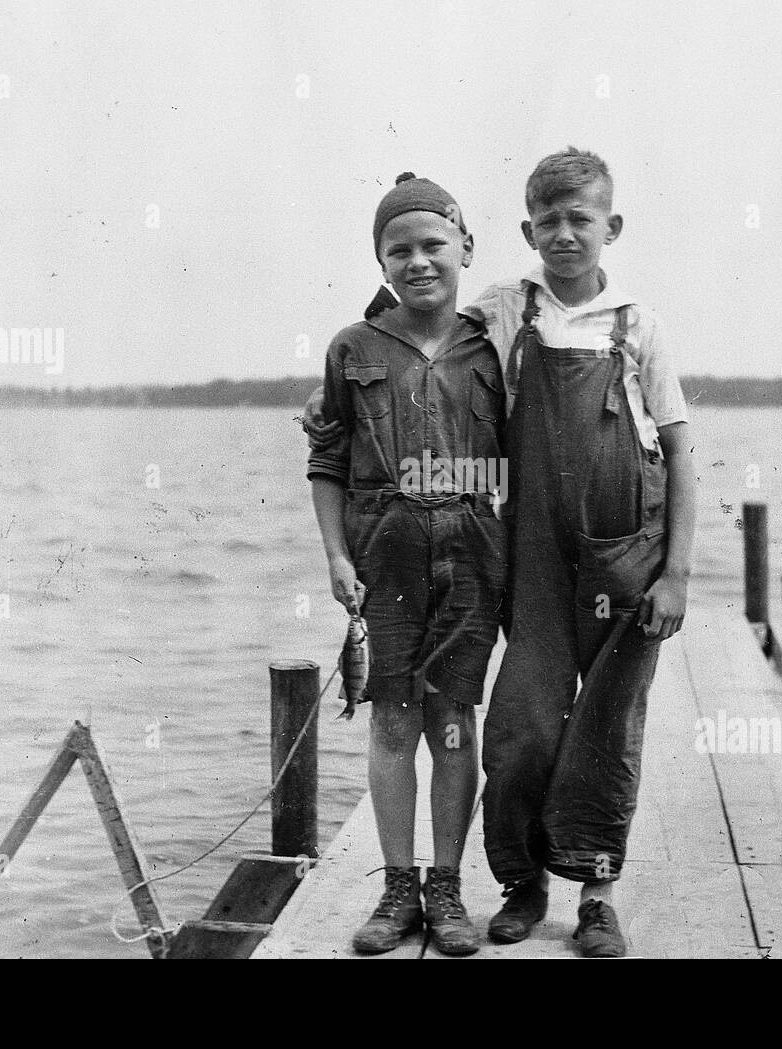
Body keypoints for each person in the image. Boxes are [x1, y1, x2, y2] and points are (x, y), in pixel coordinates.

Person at [462, 147, 696, 958]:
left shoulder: (639, 324)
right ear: (529, 228)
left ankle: (596, 891)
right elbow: (422, 349)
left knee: (609, 723)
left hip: (627, 555)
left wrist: (676, 572)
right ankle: (523, 882)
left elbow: (678, 447)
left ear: (611, 227)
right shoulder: (504, 307)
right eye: (548, 222)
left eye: (581, 220)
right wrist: (336, 391)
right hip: (533, 553)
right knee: (522, 720)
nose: (564, 235)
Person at [306, 173, 507, 956]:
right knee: (390, 718)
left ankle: (448, 888)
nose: (419, 261)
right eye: (400, 250)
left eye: (433, 244)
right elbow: (325, 459)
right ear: (381, 263)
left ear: (464, 247)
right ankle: (397, 887)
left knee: (454, 722)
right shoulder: (352, 349)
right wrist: (333, 554)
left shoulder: (493, 347)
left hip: (473, 551)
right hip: (381, 552)